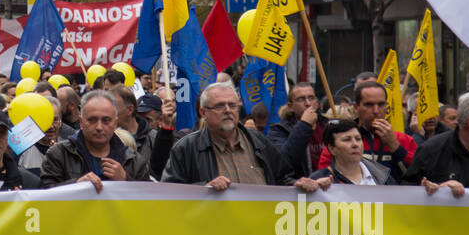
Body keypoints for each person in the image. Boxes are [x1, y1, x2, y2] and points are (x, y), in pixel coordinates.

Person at [161, 82, 292, 189]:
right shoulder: (187, 148)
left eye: (232, 105)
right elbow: (171, 192)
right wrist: (204, 189)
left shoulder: (258, 141)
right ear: (203, 112)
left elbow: (284, 178)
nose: (228, 110)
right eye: (219, 106)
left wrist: (300, 186)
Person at [41, 90, 147, 189]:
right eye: (92, 120)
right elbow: (44, 196)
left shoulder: (133, 160)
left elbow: (148, 201)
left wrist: (125, 180)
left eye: (106, 120)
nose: (99, 127)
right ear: (81, 122)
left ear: (115, 123)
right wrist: (76, 186)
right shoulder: (59, 154)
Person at [316, 81, 415, 179]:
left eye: (381, 104)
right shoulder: (339, 140)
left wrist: (395, 147)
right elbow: (325, 178)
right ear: (355, 107)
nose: (376, 111)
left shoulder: (404, 140)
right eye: (369, 105)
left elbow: (418, 175)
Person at [307, 118, 401, 185]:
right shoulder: (319, 179)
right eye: (347, 139)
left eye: (358, 139)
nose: (355, 144)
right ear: (332, 149)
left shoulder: (383, 176)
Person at [266, 81, 322, 179]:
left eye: (311, 98)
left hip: (328, 190)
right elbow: (284, 163)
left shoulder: (325, 125)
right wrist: (304, 125)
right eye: (301, 99)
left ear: (316, 103)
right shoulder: (278, 131)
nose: (308, 103)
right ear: (290, 106)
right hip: (301, 191)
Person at [18, 98, 62, 177]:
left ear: (60, 122)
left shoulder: (69, 150)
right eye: (45, 120)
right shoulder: (22, 150)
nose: (50, 126)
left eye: (54, 120)